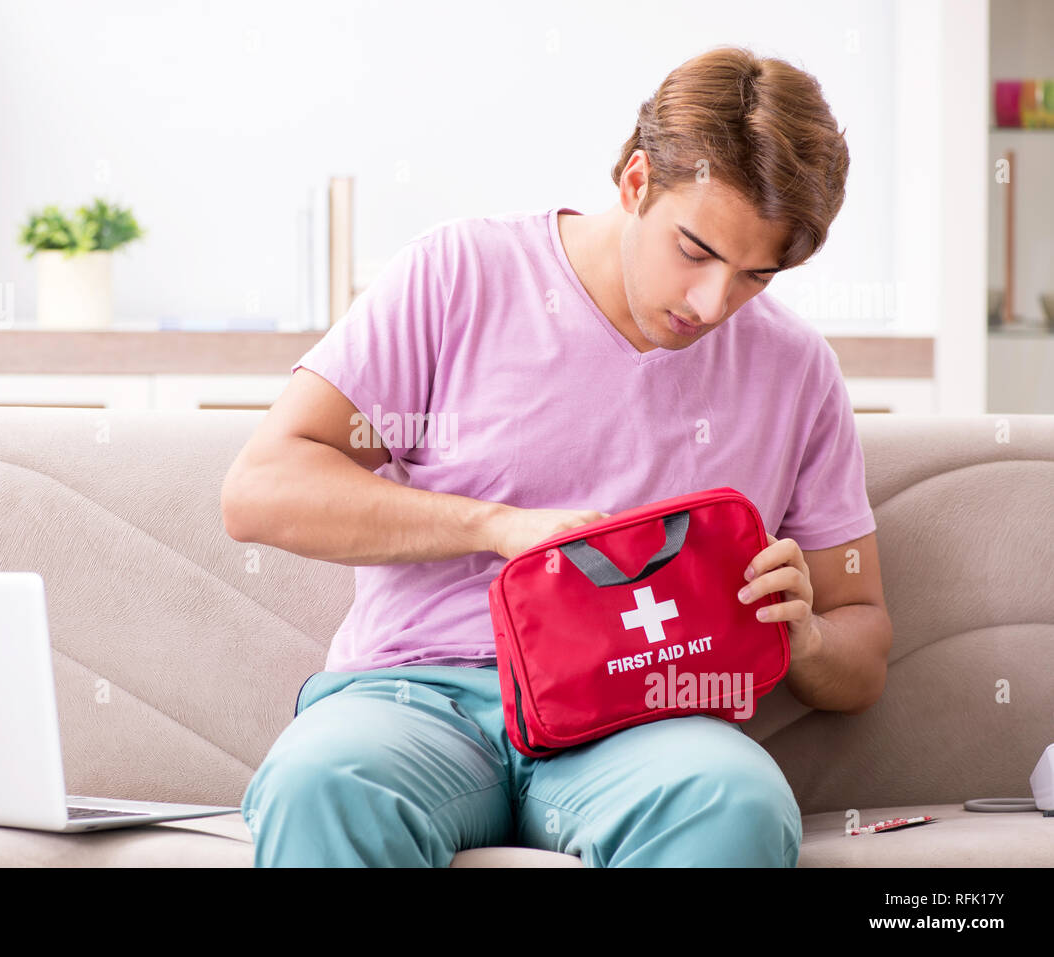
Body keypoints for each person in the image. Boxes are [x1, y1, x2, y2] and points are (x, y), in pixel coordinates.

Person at [221, 44, 893, 867]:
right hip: (415, 699)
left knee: (737, 800)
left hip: (647, 725)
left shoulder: (796, 369)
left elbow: (863, 644)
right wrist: (497, 526)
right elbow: (261, 487)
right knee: (320, 781)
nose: (714, 303)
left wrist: (808, 637)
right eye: (695, 251)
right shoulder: (460, 273)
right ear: (637, 181)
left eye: (756, 275)